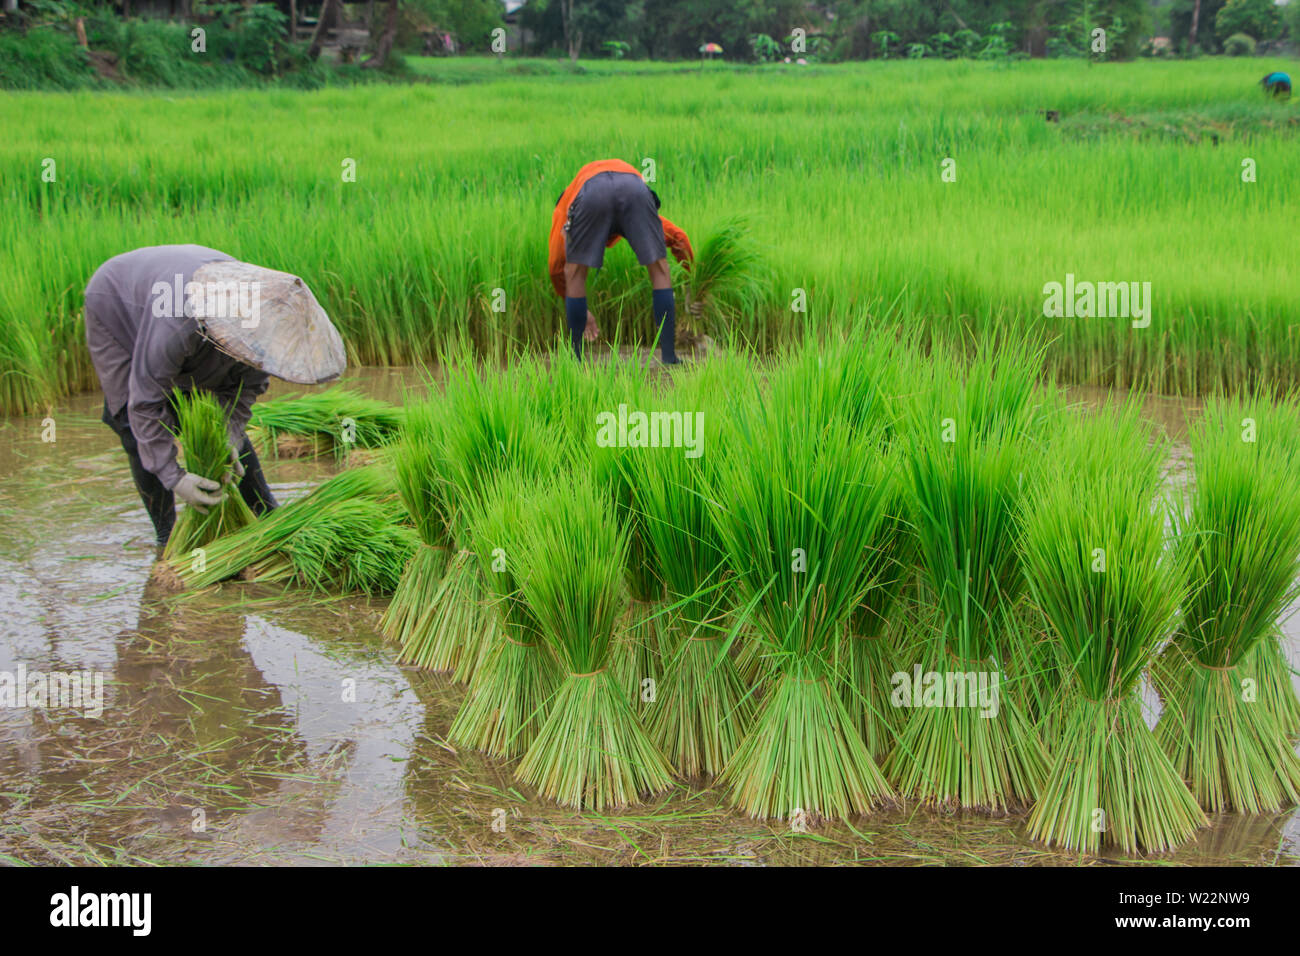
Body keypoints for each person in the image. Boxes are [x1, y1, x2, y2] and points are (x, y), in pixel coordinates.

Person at [84, 244, 346, 549]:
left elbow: (240, 396)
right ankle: (167, 537)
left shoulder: (265, 331)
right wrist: (175, 477)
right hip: (116, 303)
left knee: (211, 418)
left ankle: (265, 512)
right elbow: (145, 400)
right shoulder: (177, 322)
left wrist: (228, 439)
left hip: (185, 300)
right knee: (131, 425)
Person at [548, 159, 694, 363]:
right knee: (660, 269)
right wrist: (692, 281)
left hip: (593, 193)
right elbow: (679, 238)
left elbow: (556, 267)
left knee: (575, 272)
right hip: (633, 188)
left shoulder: (566, 207)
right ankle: (669, 358)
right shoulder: (621, 183)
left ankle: (576, 359)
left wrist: (574, 303)